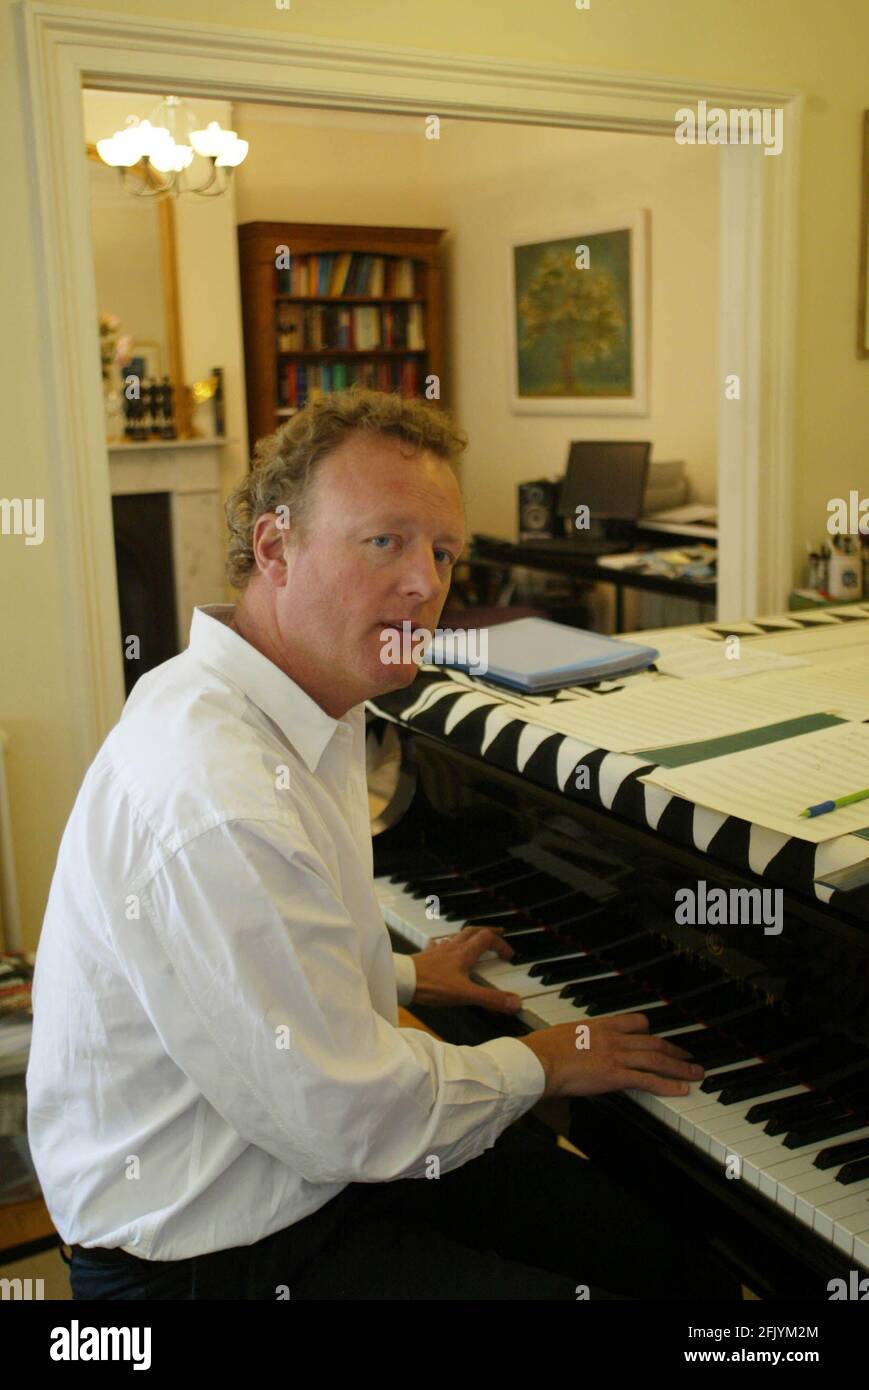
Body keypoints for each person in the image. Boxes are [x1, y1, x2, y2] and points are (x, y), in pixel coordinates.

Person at [27, 388, 739, 1299]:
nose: (425, 584)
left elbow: (261, 964)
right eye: (384, 541)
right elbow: (346, 1117)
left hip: (302, 1163)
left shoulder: (295, 700)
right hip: (210, 1254)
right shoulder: (219, 791)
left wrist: (401, 975)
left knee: (661, 1256)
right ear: (276, 546)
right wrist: (540, 1060)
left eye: (443, 552)